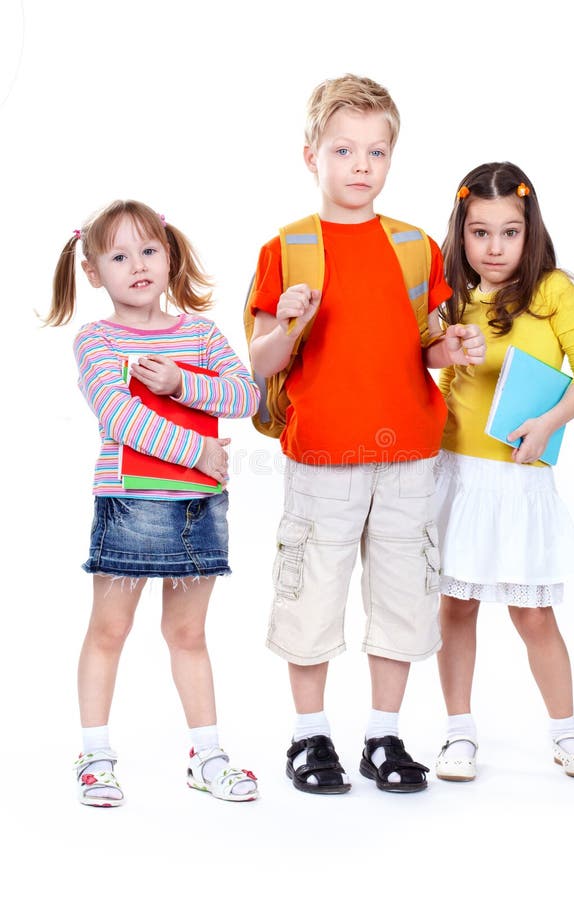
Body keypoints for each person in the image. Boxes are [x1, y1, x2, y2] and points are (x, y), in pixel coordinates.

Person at [248, 75, 485, 794]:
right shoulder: (287, 248)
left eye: (375, 151)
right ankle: (308, 736)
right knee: (312, 596)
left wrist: (456, 349)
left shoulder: (415, 248)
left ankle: (384, 735)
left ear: (390, 158)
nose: (360, 164)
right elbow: (259, 361)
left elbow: (427, 344)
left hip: (410, 454)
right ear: (310, 155)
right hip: (322, 455)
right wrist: (288, 320)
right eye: (344, 149)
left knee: (403, 597)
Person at [46, 200, 261, 806]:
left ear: (169, 255)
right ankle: (95, 753)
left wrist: (181, 382)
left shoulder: (200, 331)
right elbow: (120, 414)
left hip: (201, 507)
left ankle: (208, 754)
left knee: (188, 633)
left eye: (148, 250)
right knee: (110, 630)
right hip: (132, 505)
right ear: (93, 272)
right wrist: (197, 450)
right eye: (118, 255)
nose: (136, 265)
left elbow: (246, 395)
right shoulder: (96, 340)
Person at [433, 162, 574, 782]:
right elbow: (435, 369)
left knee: (532, 612)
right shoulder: (451, 293)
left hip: (521, 471)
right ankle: (458, 733)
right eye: (480, 232)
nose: (495, 247)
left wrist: (548, 423)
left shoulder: (555, 290)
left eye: (510, 232)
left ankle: (567, 733)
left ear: (531, 230)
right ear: (462, 232)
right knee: (454, 606)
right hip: (456, 471)